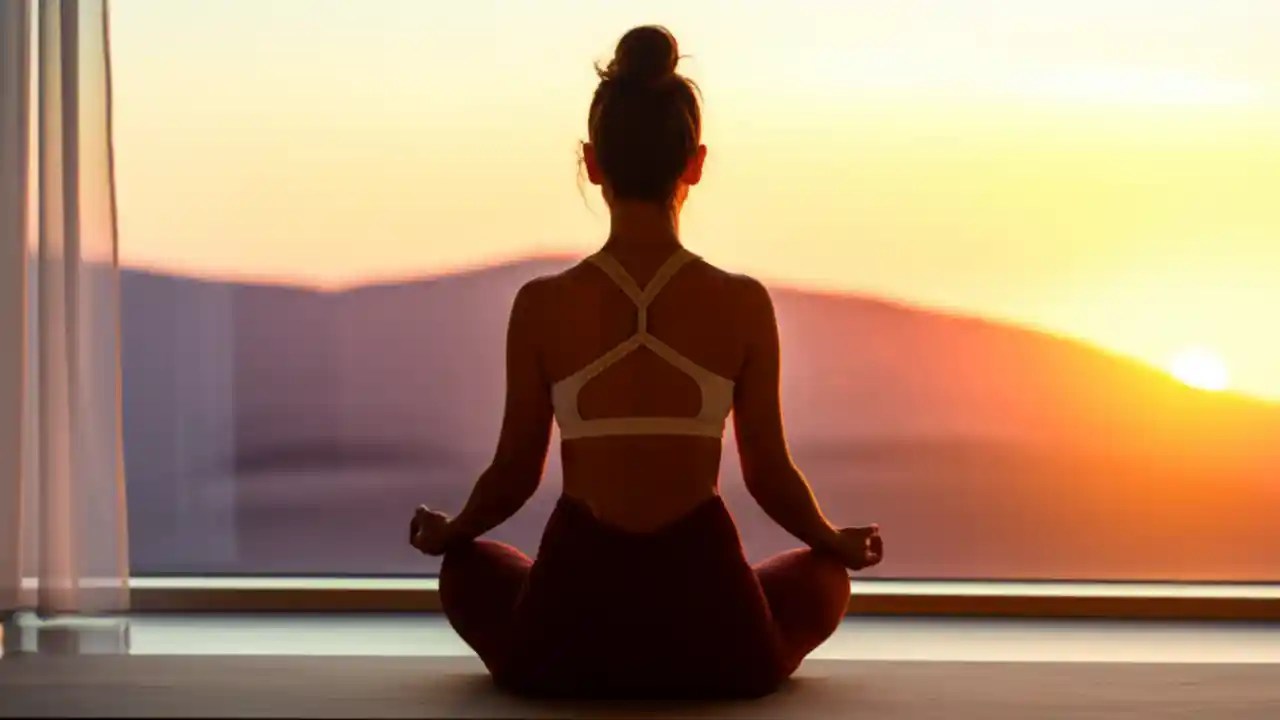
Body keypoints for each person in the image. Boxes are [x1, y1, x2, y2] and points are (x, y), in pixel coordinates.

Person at [409, 25, 883, 699]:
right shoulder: (741, 303)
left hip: (565, 635)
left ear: (592, 162)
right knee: (823, 578)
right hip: (714, 632)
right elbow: (768, 474)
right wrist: (833, 540)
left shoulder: (543, 305)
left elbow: (514, 474)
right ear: (695, 163)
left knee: (466, 570)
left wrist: (452, 531)